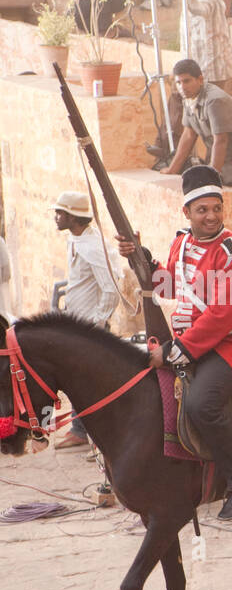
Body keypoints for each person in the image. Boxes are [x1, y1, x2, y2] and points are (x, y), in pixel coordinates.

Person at [116, 165, 232, 520]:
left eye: (216, 208)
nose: (211, 216)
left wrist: (175, 351)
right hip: (193, 340)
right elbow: (171, 286)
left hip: (231, 344)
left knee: (201, 405)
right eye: (202, 210)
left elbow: (223, 314)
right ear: (187, 212)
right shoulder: (182, 242)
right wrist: (140, 256)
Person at [163, 59, 232, 290]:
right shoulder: (189, 99)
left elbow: (220, 140)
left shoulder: (215, 100)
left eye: (187, 81)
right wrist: (172, 169)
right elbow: (188, 135)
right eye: (178, 82)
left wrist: (211, 176)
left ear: (200, 79)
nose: (182, 87)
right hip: (229, 161)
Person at [52, 191, 119, 450]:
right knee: (76, 379)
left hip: (89, 328)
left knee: (90, 384)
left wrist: (97, 323)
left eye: (60, 213)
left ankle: (97, 438)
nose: (56, 217)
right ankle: (80, 431)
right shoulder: (76, 238)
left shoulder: (93, 246)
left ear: (72, 216)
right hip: (76, 323)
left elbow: (111, 289)